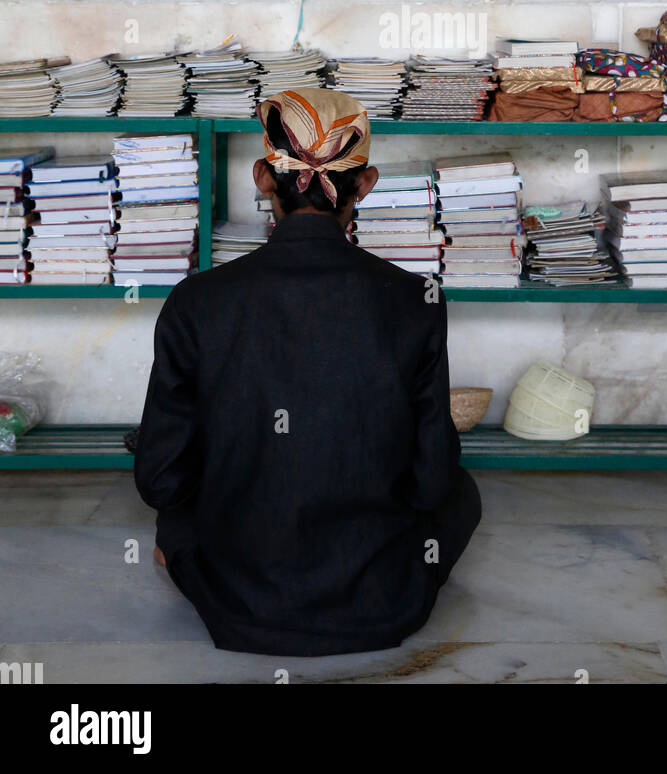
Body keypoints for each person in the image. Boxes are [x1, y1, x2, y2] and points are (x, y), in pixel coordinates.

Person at [134, 87, 481, 656]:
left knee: (179, 508)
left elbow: (162, 479)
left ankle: (183, 553)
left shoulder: (197, 299)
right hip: (379, 604)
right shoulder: (417, 297)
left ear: (262, 179)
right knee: (460, 492)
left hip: (237, 602)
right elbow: (429, 481)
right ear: (365, 184)